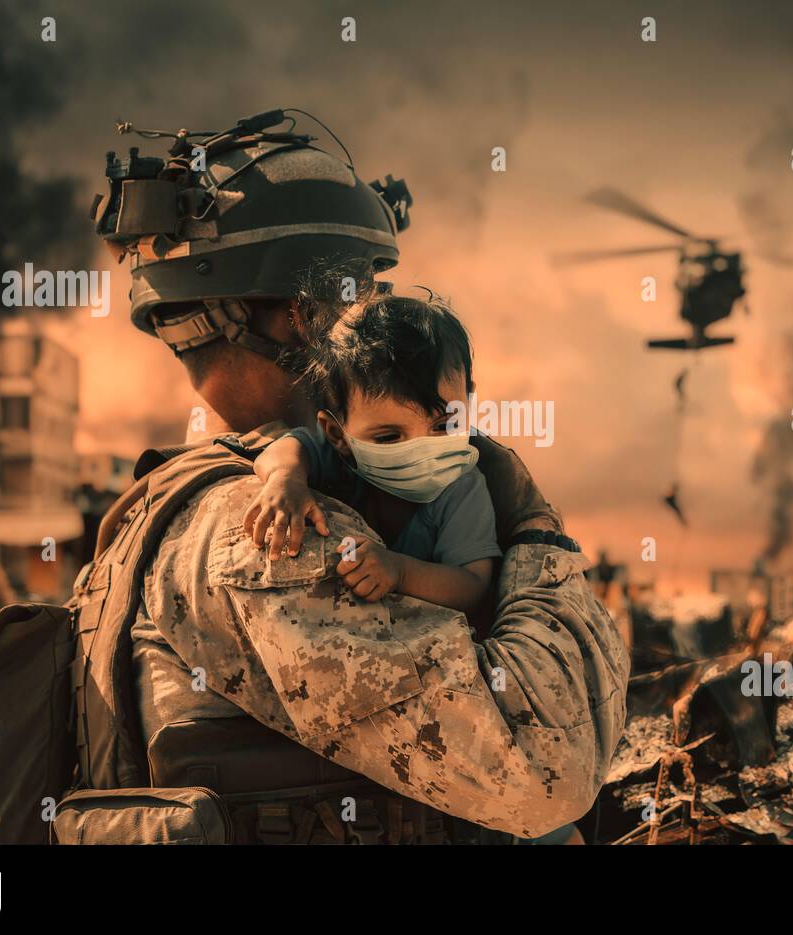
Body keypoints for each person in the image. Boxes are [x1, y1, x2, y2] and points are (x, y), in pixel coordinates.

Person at [68, 110, 628, 843]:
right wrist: (534, 535)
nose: (371, 318)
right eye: (358, 291)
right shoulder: (273, 528)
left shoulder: (221, 490)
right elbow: (543, 764)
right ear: (306, 317)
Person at [243, 292, 498, 620]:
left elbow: (474, 586)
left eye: (446, 425)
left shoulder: (461, 486)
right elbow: (280, 449)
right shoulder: (334, 458)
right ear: (338, 435)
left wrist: (401, 572)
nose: (423, 448)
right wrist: (285, 478)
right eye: (390, 436)